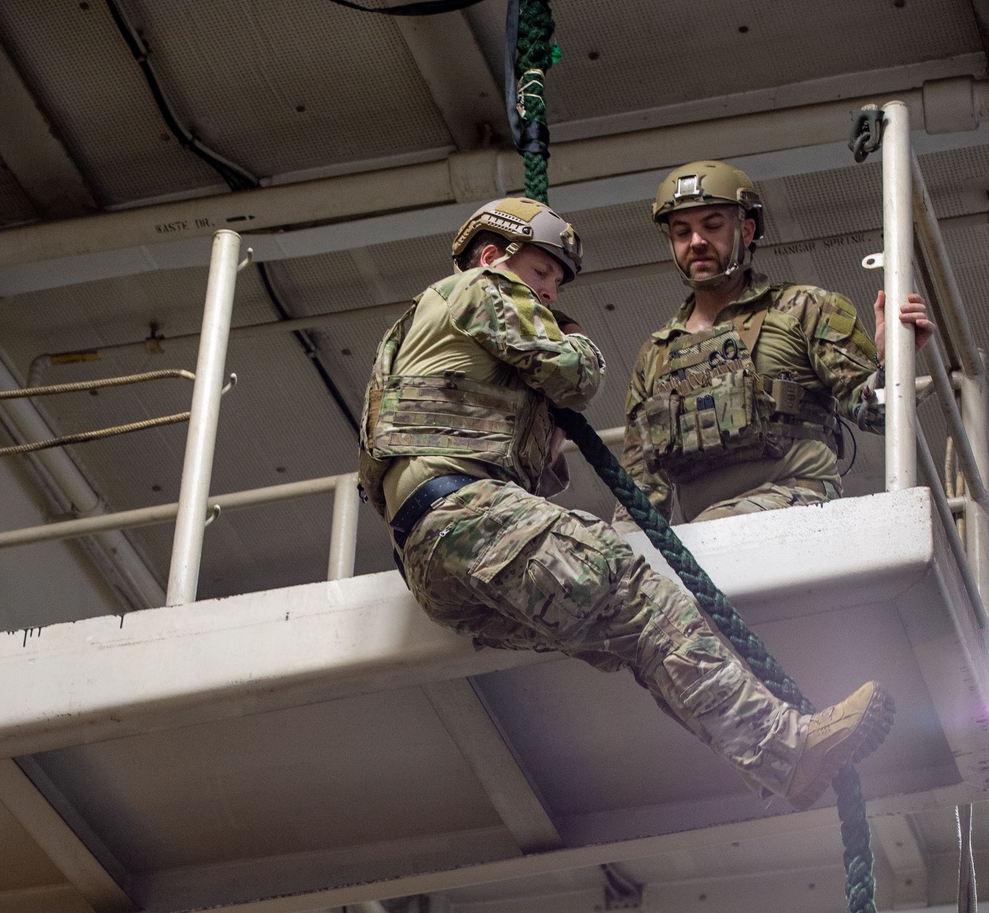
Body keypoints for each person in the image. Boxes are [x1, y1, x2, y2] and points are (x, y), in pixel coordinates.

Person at [358, 196, 894, 812]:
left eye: (555, 285)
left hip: (431, 561)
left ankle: (772, 761)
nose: (550, 295)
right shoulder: (481, 287)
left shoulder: (421, 331)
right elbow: (576, 377)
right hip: (465, 513)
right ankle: (786, 752)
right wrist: (577, 340)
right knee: (640, 595)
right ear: (491, 256)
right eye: (541, 275)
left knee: (634, 633)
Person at [621, 160, 935, 523]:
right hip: (706, 535)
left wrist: (891, 361)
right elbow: (640, 484)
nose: (697, 242)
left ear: (747, 230)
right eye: (681, 232)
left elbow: (879, 416)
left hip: (797, 505)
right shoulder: (655, 355)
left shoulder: (804, 308)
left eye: (712, 226)